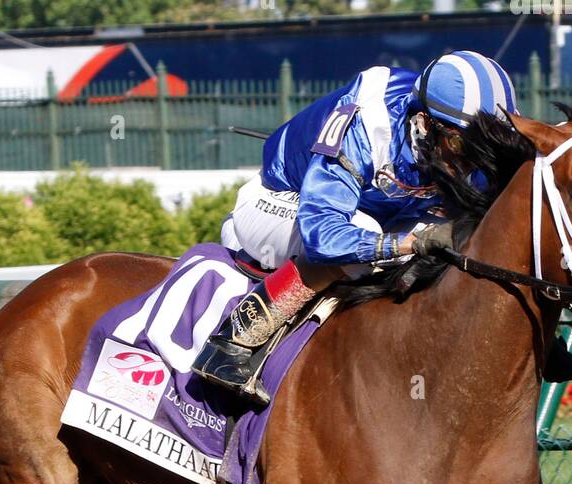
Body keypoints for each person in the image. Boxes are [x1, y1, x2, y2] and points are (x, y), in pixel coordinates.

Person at [194, 50, 516, 401]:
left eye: (485, 145)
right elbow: (322, 235)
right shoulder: (367, 120)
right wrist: (409, 243)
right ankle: (234, 341)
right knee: (367, 235)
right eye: (460, 144)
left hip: (376, 217)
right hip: (277, 204)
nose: (472, 160)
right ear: (424, 121)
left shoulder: (462, 144)